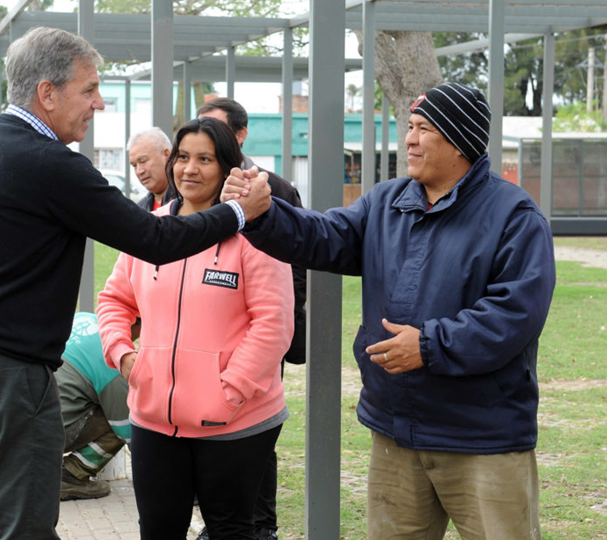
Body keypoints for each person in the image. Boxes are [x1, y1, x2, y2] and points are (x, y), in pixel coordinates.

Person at [0, 27, 270, 540]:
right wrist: (235, 212)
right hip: (10, 379)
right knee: (24, 528)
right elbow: (152, 237)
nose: (98, 103)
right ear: (47, 93)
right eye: (89, 89)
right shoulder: (51, 162)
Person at [223, 83, 556, 540]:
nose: (410, 140)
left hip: (483, 438)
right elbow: (324, 236)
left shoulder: (514, 216)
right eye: (409, 128)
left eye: (423, 129)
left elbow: (514, 315)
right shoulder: (387, 203)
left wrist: (428, 346)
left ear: (459, 140)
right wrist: (263, 214)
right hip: (396, 432)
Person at [97, 116, 294, 539]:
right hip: (154, 419)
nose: (190, 169)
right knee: (159, 529)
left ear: (226, 166)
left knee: (230, 531)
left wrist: (229, 391)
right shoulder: (152, 229)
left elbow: (273, 324)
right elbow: (114, 299)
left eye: (205, 159)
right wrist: (123, 354)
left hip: (234, 422)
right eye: (184, 157)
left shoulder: (256, 235)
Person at [197, 95, 306, 540]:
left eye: (217, 136)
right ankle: (219, 523)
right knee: (206, 435)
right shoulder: (183, 188)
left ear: (239, 138)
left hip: (258, 339)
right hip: (204, 343)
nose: (205, 150)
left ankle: (262, 526)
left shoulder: (275, 189)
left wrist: (278, 332)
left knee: (255, 435)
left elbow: (296, 264)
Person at [58, 311, 133, 501]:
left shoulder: (83, 318)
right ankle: (71, 475)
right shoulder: (115, 361)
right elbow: (131, 432)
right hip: (50, 430)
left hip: (24, 422)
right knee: (124, 418)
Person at [128, 127, 171, 211]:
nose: (139, 171)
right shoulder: (140, 210)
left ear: (166, 155)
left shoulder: (188, 202)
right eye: (134, 166)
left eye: (143, 161)